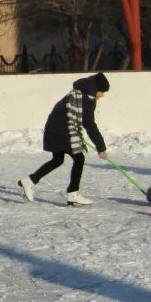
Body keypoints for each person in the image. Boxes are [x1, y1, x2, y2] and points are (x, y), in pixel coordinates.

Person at [18, 72, 110, 206]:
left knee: (58, 159)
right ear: (95, 89)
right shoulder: (86, 100)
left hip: (54, 128)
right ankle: (73, 193)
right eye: (102, 91)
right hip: (63, 131)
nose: (102, 95)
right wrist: (101, 148)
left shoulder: (78, 93)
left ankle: (30, 180)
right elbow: (89, 124)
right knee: (79, 158)